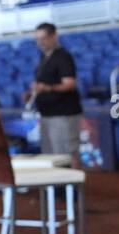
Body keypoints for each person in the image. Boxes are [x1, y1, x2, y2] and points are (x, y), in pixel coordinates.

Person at [29, 22, 83, 168]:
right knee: (51, 154)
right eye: (38, 39)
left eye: (44, 38)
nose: (40, 42)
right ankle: (58, 189)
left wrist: (47, 88)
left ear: (54, 36)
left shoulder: (63, 57)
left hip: (63, 113)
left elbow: (70, 83)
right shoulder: (44, 58)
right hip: (48, 113)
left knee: (67, 153)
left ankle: (73, 187)